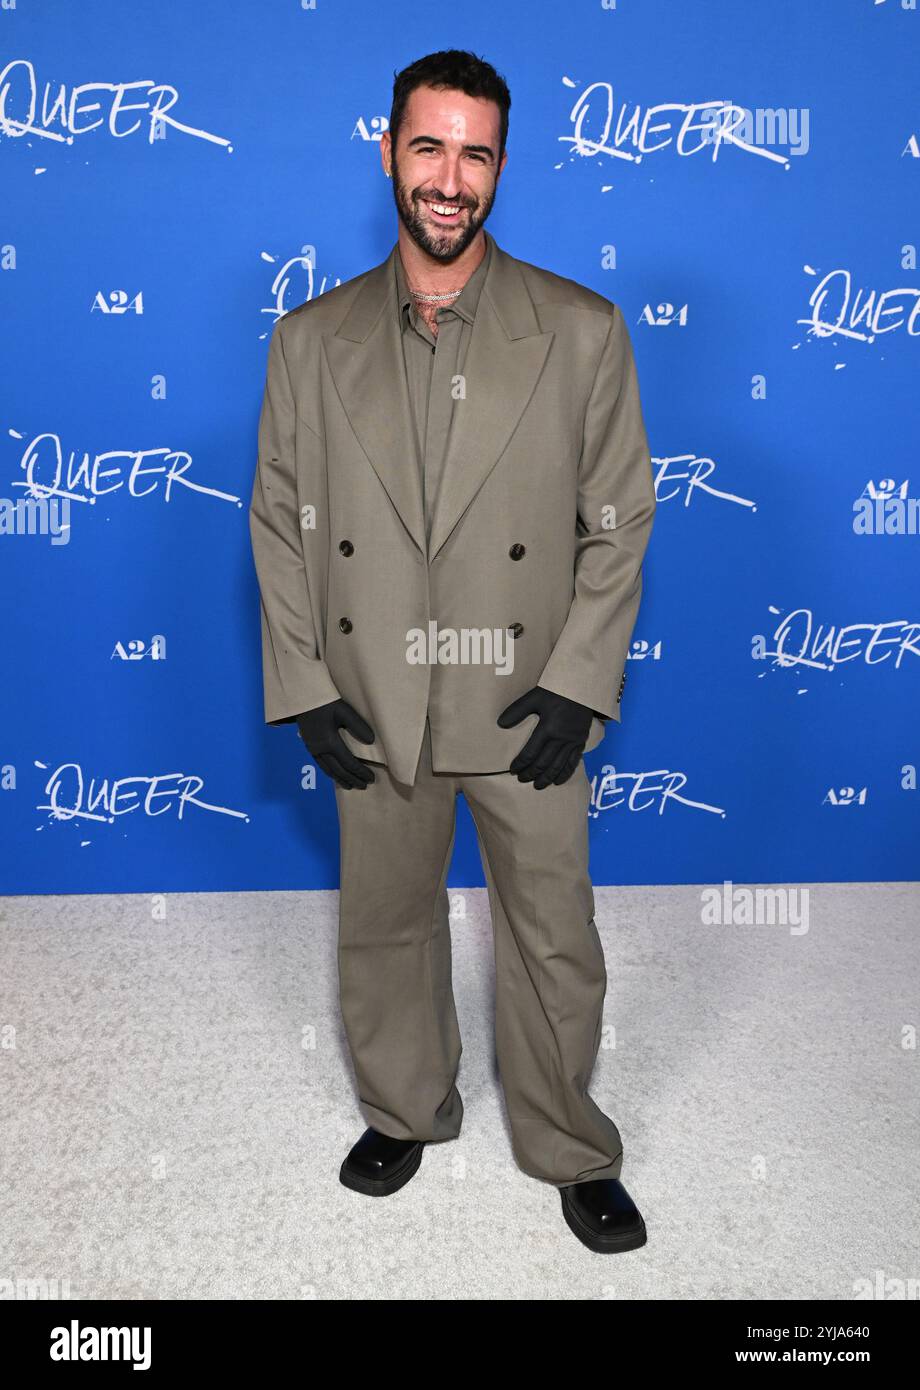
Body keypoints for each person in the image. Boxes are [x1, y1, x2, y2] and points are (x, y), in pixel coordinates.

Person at [249, 49, 656, 1253]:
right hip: (375, 690)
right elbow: (277, 516)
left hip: (524, 690)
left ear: (500, 167)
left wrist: (581, 681)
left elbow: (617, 514)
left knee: (550, 932)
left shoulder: (580, 330)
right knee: (384, 918)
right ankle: (403, 1105)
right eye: (427, 146)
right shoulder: (309, 340)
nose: (449, 177)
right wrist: (303, 680)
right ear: (386, 150)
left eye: (474, 153)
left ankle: (567, 1139)